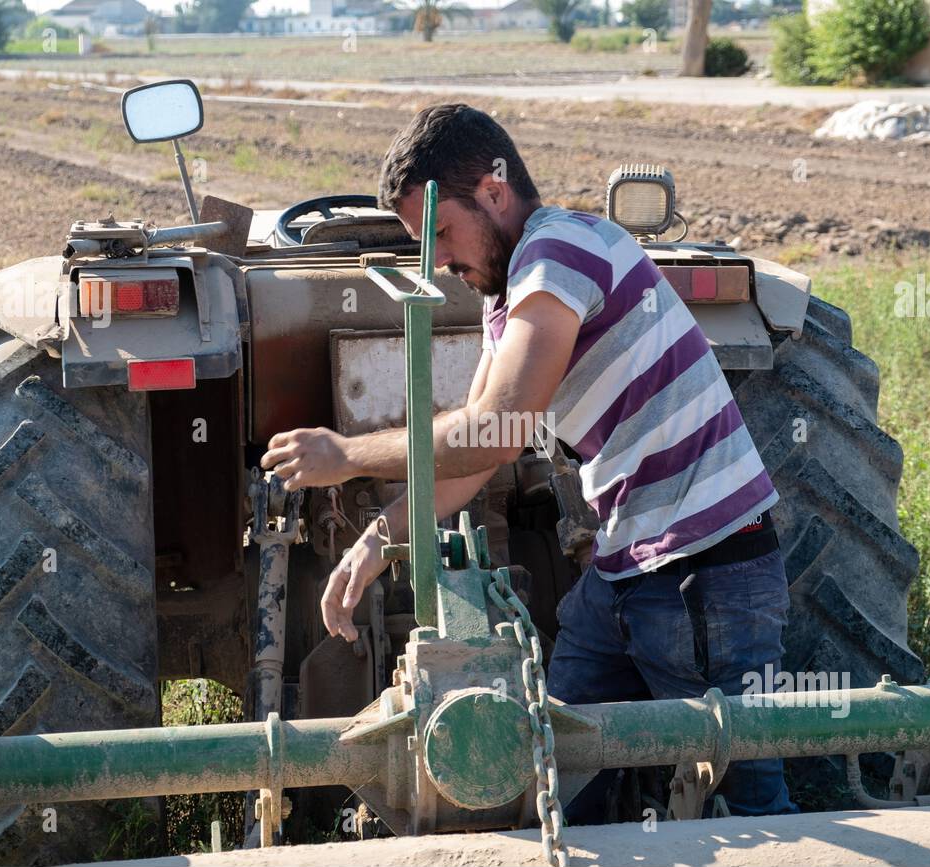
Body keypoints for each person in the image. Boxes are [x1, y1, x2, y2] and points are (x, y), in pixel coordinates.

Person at [259, 103, 798, 818]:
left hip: (709, 577)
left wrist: (349, 454)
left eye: (442, 235)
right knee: (549, 781)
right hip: (625, 574)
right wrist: (375, 542)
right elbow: (470, 467)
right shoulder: (510, 295)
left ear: (493, 189)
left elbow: (495, 432)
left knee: (749, 805)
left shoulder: (559, 252)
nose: (443, 262)